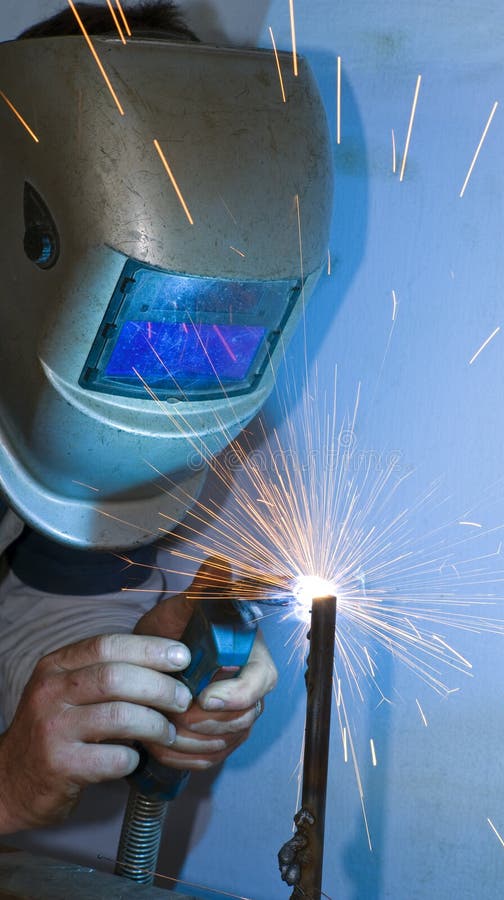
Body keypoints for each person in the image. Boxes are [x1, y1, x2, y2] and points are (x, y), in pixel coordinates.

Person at [0, 0, 332, 835]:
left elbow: (49, 599)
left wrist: (141, 666)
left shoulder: (159, 375)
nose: (165, 354)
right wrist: (9, 787)